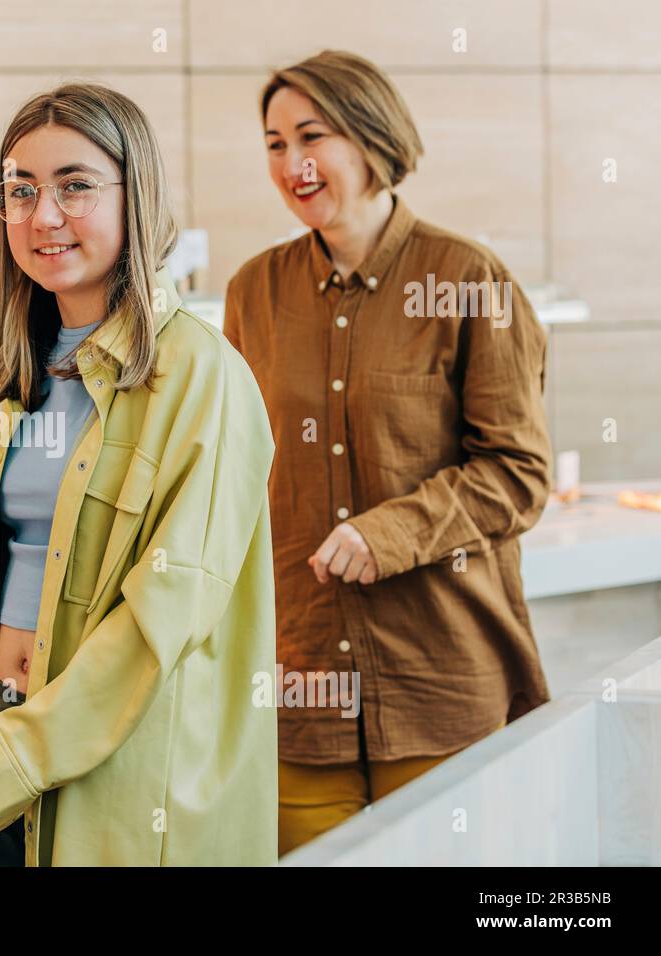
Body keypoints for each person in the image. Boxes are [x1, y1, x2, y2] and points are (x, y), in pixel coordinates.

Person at [0, 82, 277, 866]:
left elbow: (154, 628)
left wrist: (1, 760)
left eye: (75, 186)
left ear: (138, 198)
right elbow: (22, 590)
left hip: (119, 780)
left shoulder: (204, 378)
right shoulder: (30, 374)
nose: (44, 217)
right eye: (20, 191)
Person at [221, 50, 552, 856]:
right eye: (273, 143)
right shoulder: (251, 292)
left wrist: (388, 534)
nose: (291, 163)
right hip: (298, 692)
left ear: (371, 136)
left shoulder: (469, 280)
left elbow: (518, 473)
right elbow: (232, 474)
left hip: (438, 677)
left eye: (312, 135)